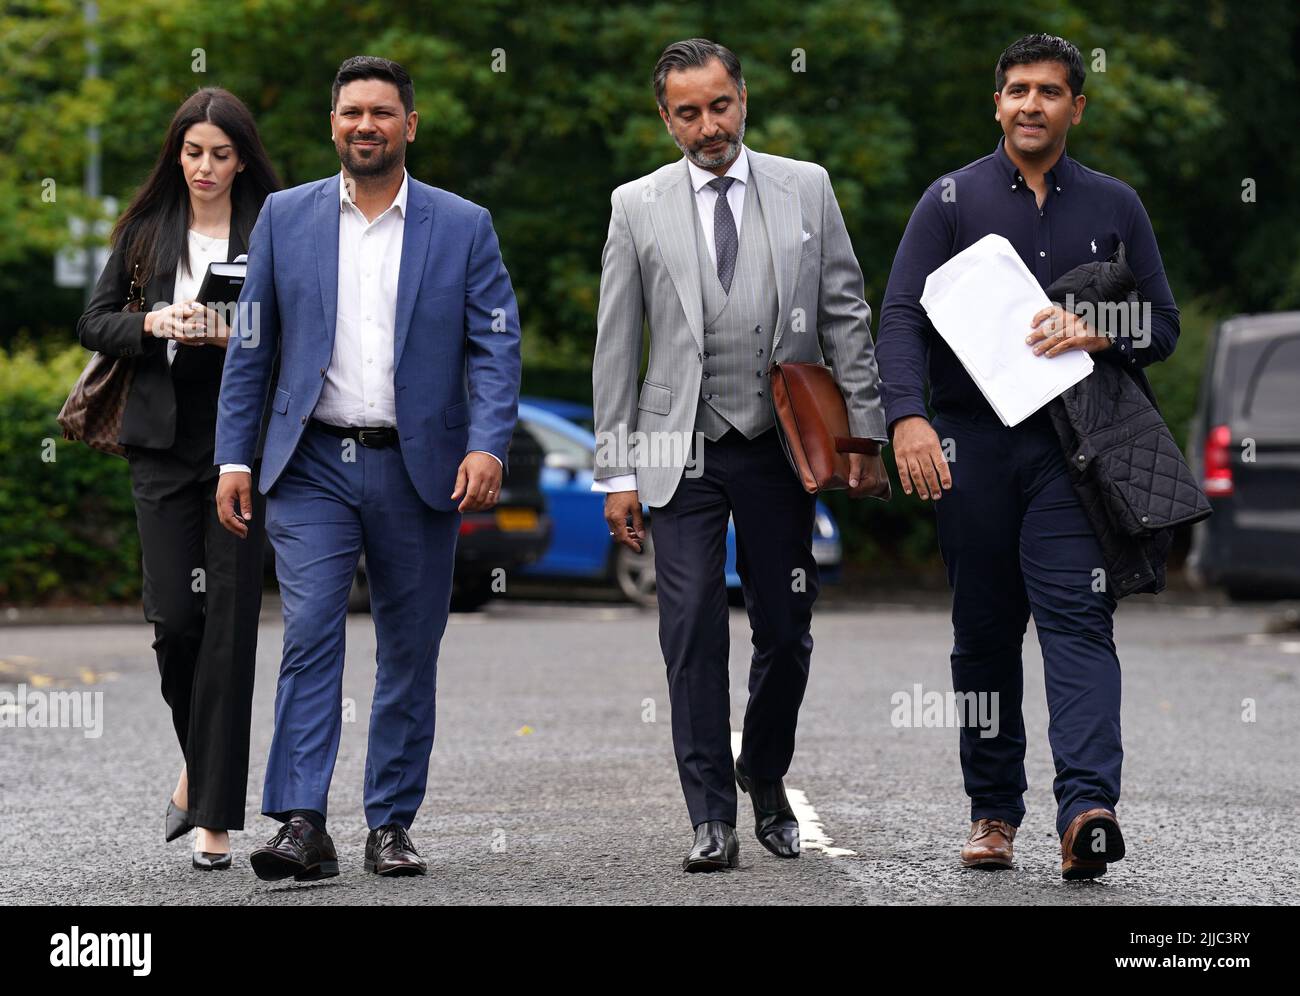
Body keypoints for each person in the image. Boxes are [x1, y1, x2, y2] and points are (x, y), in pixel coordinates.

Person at [875, 34, 1182, 879]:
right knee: (982, 634)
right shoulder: (949, 199)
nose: (1031, 104)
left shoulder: (1116, 203)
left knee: (1079, 619)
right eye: (1017, 90)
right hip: (971, 446)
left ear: (1076, 106)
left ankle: (1087, 807)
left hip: (1075, 451)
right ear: (997, 102)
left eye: (1050, 91)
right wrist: (907, 419)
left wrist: (1099, 329)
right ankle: (992, 813)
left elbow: (1162, 325)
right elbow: (900, 315)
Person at [214, 55, 521, 881]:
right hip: (311, 460)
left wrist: (488, 444)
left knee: (409, 649)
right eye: (351, 111)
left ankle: (391, 822)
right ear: (333, 123)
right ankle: (302, 822)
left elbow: (495, 343)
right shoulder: (285, 217)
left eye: (382, 112)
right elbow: (253, 349)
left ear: (409, 126)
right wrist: (233, 457)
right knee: (311, 633)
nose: (365, 125)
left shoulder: (463, 224)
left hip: (419, 468)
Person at [592, 39, 889, 872]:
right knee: (688, 629)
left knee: (787, 630)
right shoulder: (634, 204)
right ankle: (710, 816)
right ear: (666, 119)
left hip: (777, 445)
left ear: (744, 99)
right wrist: (615, 471)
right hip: (676, 446)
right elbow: (616, 345)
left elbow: (846, 317)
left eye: (719, 105)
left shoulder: (808, 187)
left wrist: (863, 434)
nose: (707, 125)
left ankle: (764, 772)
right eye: (688, 112)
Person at [76, 87, 280, 870]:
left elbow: (299, 319)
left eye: (221, 154)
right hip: (160, 446)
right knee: (175, 623)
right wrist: (154, 322)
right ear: (177, 155)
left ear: (242, 157)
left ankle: (213, 817)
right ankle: (203, 761)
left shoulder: (273, 225)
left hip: (241, 445)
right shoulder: (144, 230)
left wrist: (234, 329)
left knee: (229, 626)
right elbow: (94, 321)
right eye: (193, 153)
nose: (205, 167)